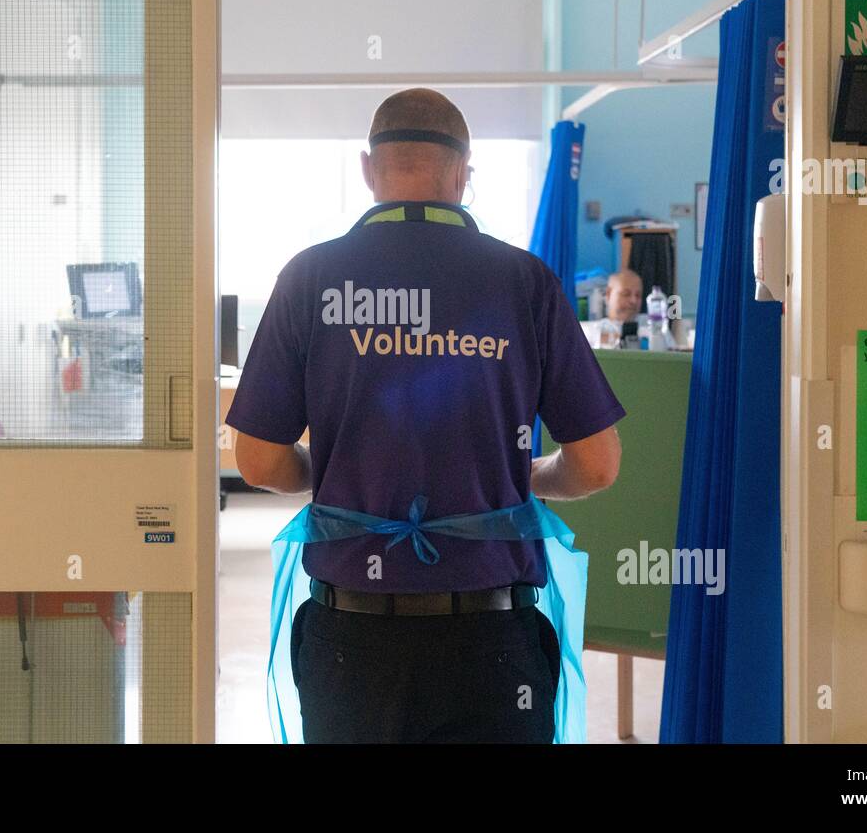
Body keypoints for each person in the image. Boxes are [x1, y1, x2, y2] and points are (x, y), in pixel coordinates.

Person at [226, 88, 625, 743]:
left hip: (352, 643)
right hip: (493, 644)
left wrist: (331, 478)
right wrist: (518, 482)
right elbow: (597, 464)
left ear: (366, 169)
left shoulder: (310, 278)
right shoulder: (524, 282)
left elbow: (258, 461)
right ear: (464, 175)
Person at [590, 269, 643, 349]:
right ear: (608, 294)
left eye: (638, 295)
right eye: (626, 294)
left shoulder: (654, 329)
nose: (633, 301)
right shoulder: (594, 332)